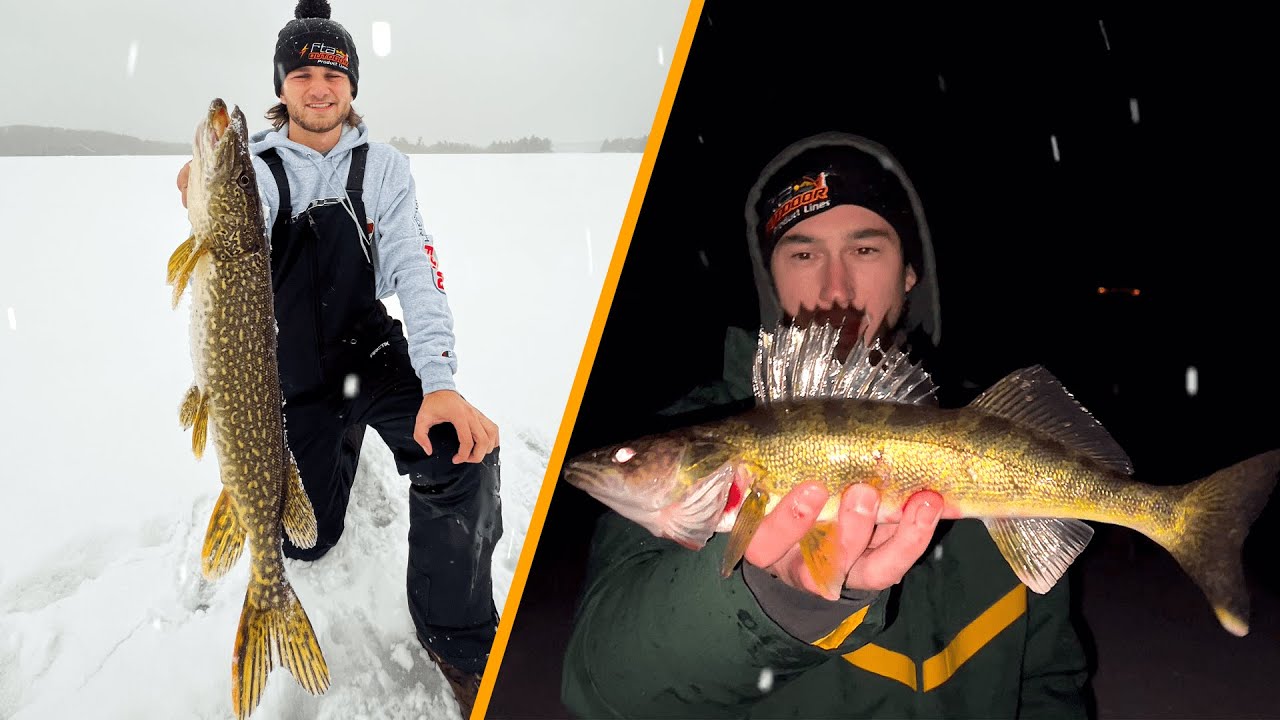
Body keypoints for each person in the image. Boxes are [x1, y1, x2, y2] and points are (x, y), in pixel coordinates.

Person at [560, 131, 1091, 718]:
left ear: (910, 272)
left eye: (865, 250)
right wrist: (773, 601)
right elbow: (602, 685)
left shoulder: (996, 443)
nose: (835, 287)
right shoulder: (696, 423)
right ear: (770, 278)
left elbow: (1048, 680)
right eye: (803, 253)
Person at [176, 1, 501, 715]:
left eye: (333, 73)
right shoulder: (254, 171)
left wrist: (441, 382)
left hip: (370, 347)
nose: (318, 86)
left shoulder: (383, 169)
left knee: (461, 454)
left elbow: (416, 267)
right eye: (302, 73)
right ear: (282, 86)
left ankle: (462, 640)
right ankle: (334, 450)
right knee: (307, 541)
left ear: (351, 87)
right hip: (288, 374)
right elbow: (229, 231)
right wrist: (203, 192)